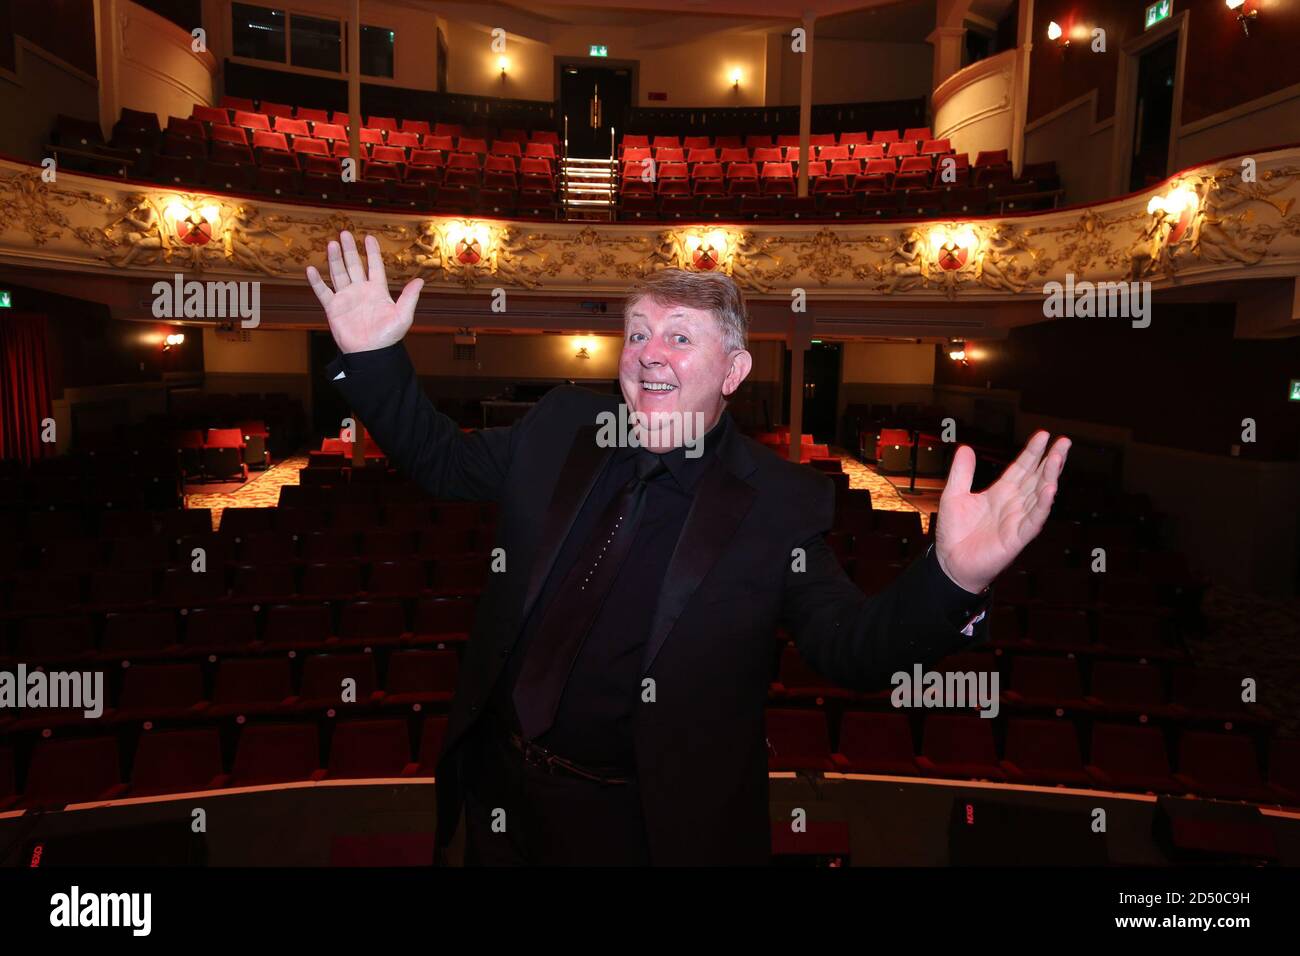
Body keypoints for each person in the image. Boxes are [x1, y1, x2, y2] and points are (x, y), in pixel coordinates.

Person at [306, 231, 1071, 865]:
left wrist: (950, 578)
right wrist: (375, 359)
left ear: (733, 371)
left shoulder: (779, 505)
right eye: (637, 332)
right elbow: (441, 462)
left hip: (643, 827)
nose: (648, 352)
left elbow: (853, 650)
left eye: (679, 336)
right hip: (503, 793)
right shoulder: (561, 426)